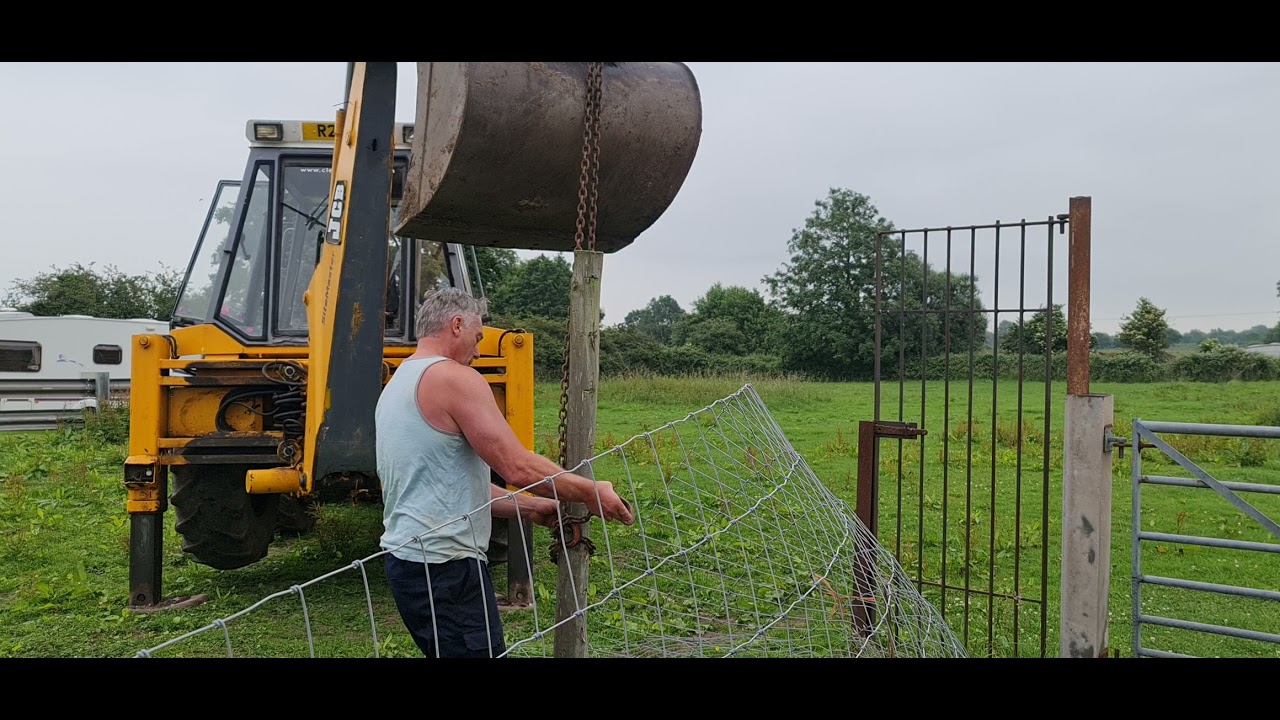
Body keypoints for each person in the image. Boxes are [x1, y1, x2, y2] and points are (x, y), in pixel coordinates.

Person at [375, 287, 634, 658]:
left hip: (409, 564)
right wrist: (590, 491)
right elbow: (517, 466)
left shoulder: (399, 382)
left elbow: (446, 488)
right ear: (457, 325)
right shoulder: (453, 378)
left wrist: (530, 508)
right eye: (477, 336)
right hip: (446, 568)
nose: (479, 350)